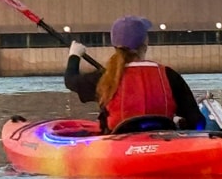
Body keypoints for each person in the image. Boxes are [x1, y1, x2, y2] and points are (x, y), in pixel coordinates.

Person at [64, 15, 204, 133]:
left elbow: (70, 80)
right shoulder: (168, 75)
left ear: (115, 46)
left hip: (116, 146)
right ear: (145, 43)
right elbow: (197, 121)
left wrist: (74, 55)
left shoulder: (105, 78)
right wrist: (180, 123)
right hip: (163, 143)